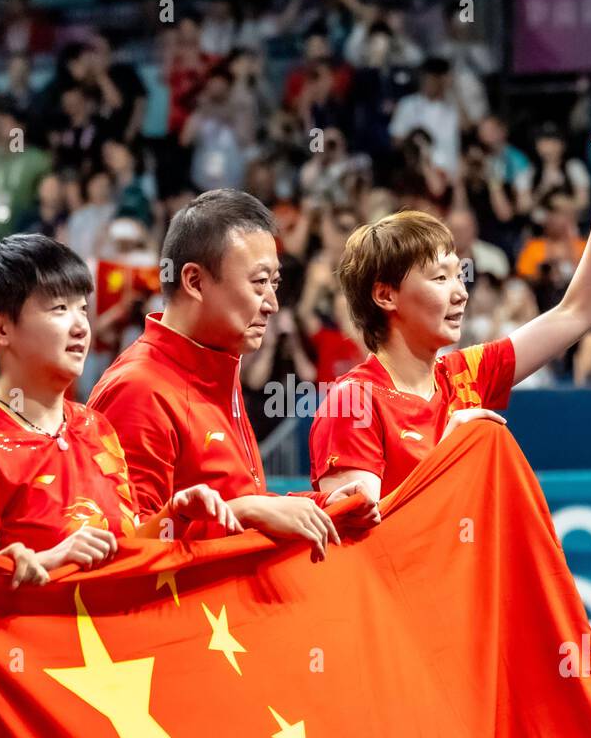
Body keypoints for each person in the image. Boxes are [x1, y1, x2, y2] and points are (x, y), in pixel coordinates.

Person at [308, 103, 591, 500]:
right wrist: (447, 452)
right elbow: (364, 543)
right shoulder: (353, 401)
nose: (460, 291)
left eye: (458, 274)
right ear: (385, 294)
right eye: (439, 278)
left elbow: (579, 310)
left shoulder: (467, 375)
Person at [88, 188, 376, 559]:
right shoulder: (138, 390)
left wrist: (321, 502)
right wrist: (244, 514)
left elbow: (241, 500)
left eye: (274, 284)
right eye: (259, 283)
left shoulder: (216, 365)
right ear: (194, 281)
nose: (272, 304)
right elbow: (121, 555)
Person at [0, 234, 239, 574]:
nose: (81, 326)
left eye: (82, 307)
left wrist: (175, 514)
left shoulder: (96, 428)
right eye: (59, 308)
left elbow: (124, 553)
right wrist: (47, 561)